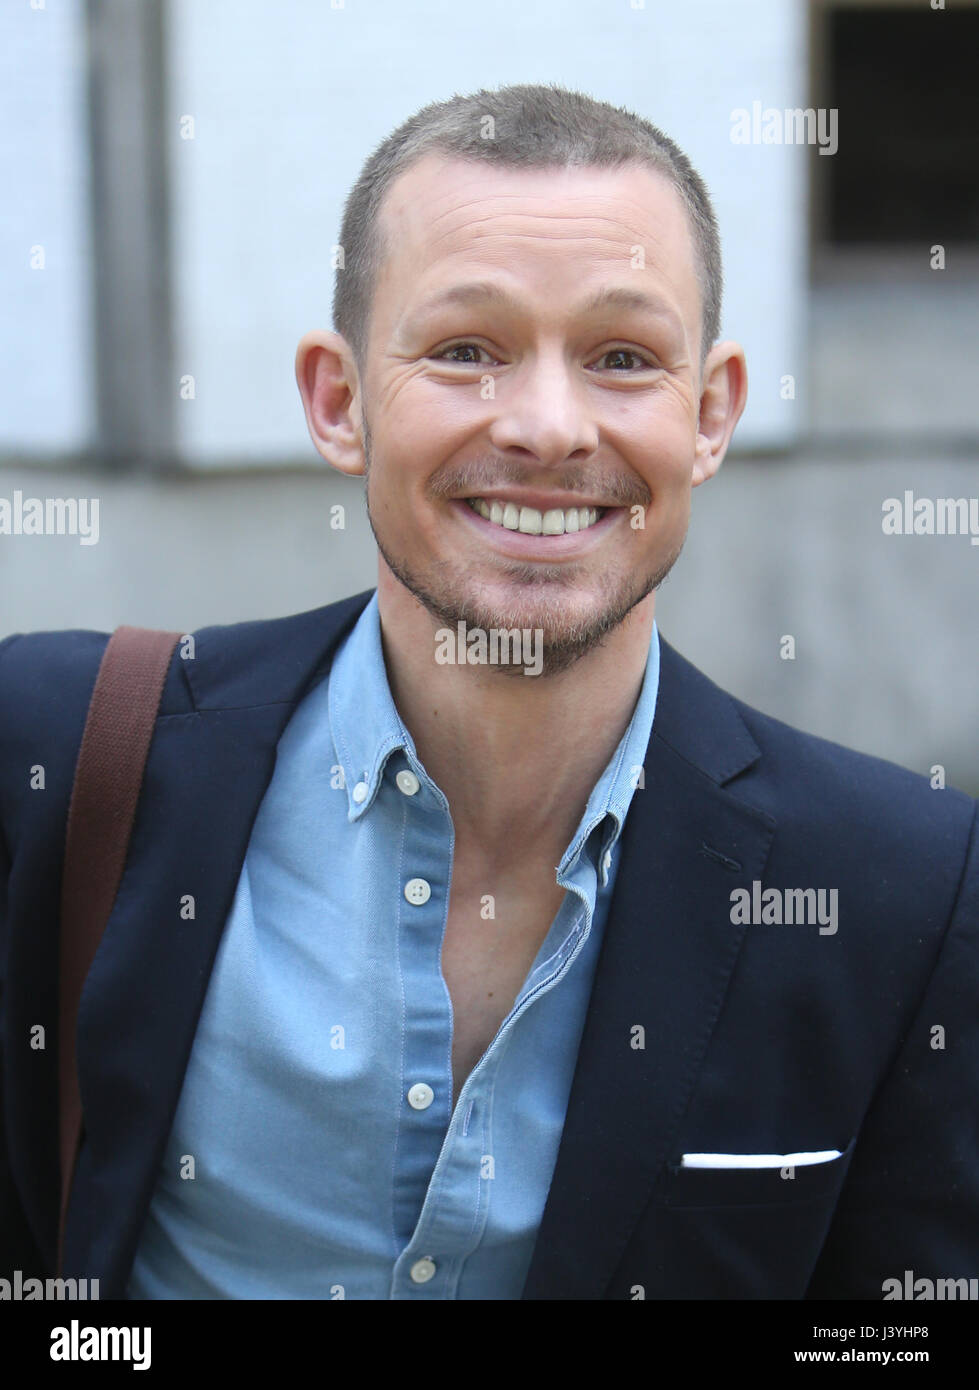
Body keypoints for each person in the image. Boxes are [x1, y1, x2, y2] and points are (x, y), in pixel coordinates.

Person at [1, 84, 976, 1301]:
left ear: (711, 413)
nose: (548, 426)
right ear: (338, 401)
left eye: (623, 358)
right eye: (466, 350)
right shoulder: (64, 748)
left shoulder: (901, 881)